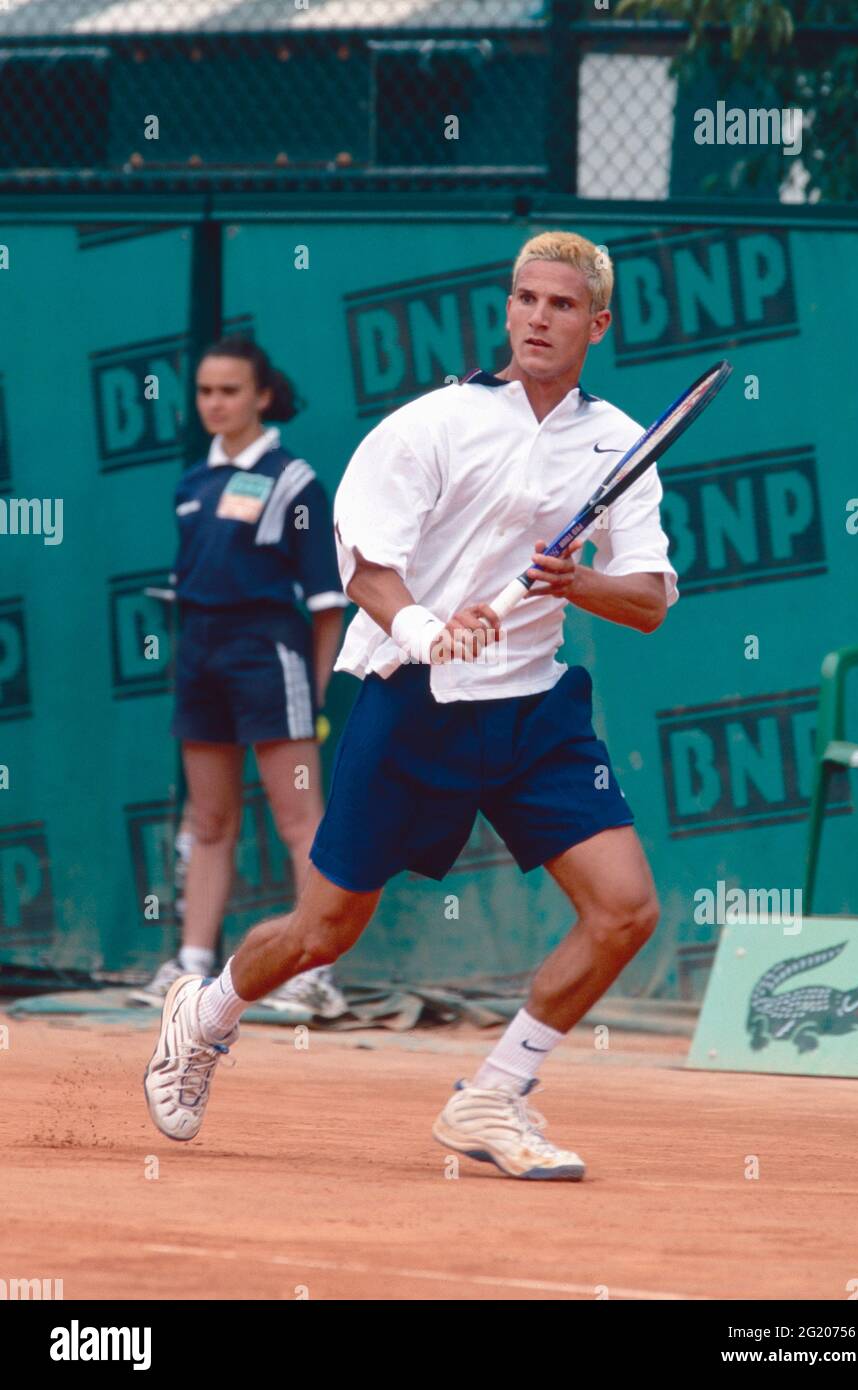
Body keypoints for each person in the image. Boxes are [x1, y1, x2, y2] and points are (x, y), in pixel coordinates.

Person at [144, 232, 677, 1179]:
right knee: (325, 929)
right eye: (526, 300)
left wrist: (572, 584)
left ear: (597, 323)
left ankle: (491, 1097)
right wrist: (428, 630)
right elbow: (367, 566)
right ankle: (208, 1009)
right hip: (414, 699)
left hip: (534, 708)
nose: (539, 319)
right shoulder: (433, 424)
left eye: (562, 306)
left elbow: (648, 600)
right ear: (507, 310)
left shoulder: (618, 445)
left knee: (626, 908)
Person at [131, 336, 348, 1018]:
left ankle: (317, 972)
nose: (215, 403)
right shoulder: (190, 484)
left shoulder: (295, 480)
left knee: (298, 820)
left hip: (269, 657)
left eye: (229, 391)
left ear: (261, 396)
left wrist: (312, 697)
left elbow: (326, 606)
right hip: (200, 656)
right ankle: (192, 966)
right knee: (210, 819)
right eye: (204, 392)